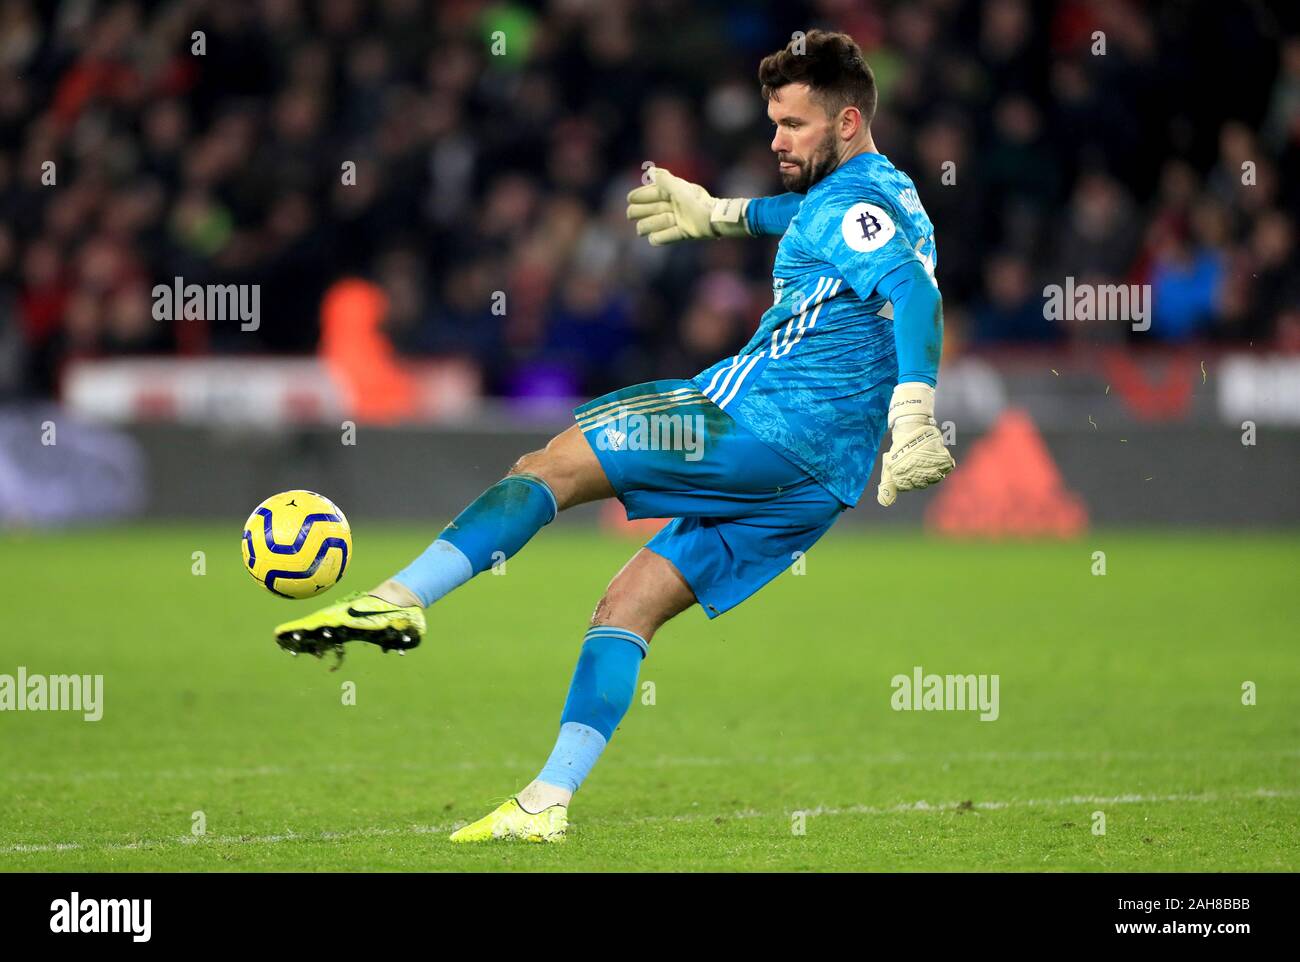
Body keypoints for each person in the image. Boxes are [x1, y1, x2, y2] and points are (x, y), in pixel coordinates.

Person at [273, 29, 955, 843]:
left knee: (548, 466)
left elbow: (914, 295)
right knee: (627, 606)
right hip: (817, 483)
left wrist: (914, 410)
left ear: (847, 123)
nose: (775, 140)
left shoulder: (852, 206)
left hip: (748, 423)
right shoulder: (887, 191)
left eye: (794, 125)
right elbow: (810, 217)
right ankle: (545, 803)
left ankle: (400, 600)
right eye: (772, 123)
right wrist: (719, 213)